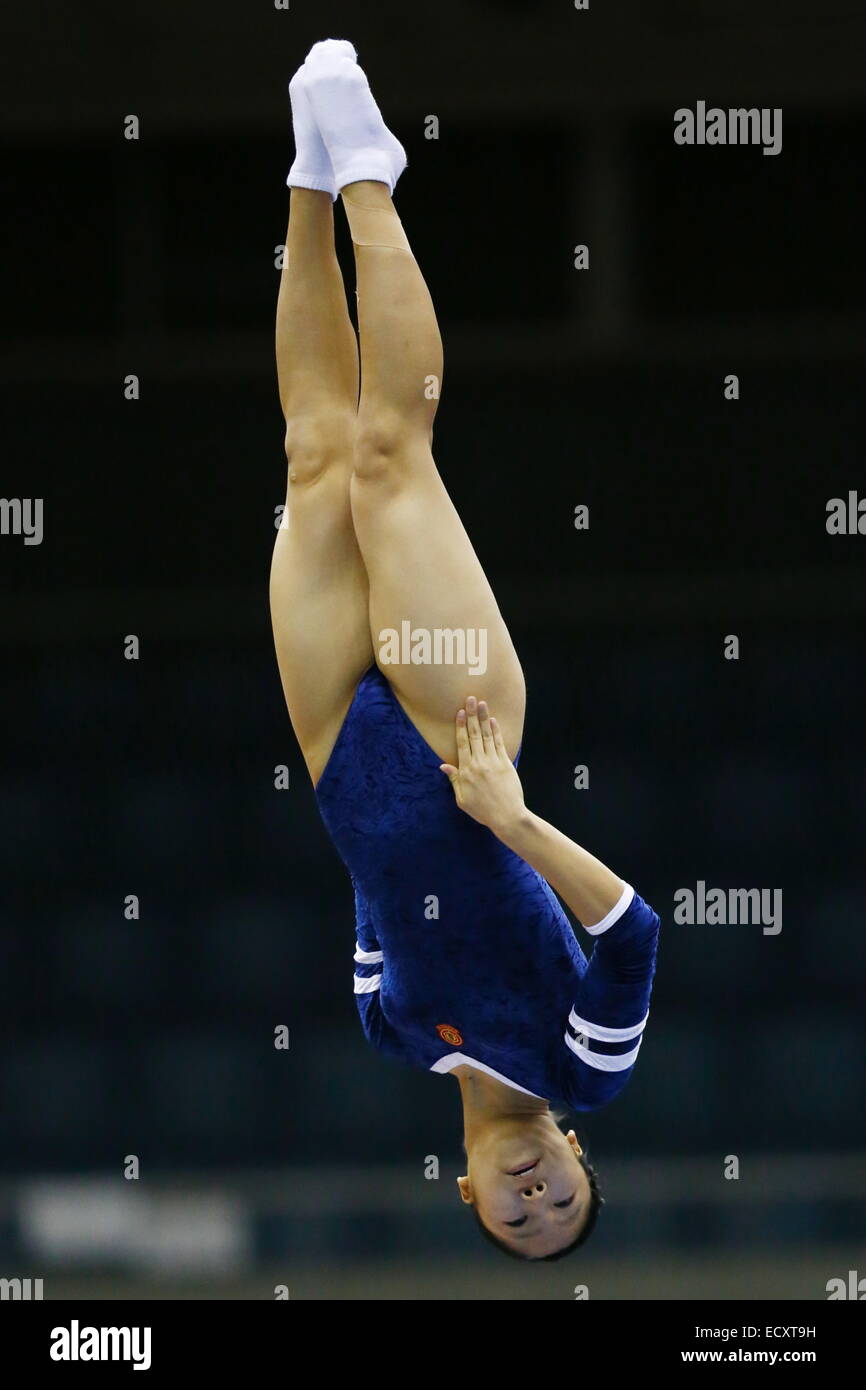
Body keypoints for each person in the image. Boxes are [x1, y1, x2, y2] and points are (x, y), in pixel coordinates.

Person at [270, 39, 661, 1259]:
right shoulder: (583, 1066)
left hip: (341, 744)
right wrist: (506, 815)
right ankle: (372, 172)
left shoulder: (390, 1032)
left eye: (516, 1217)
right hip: (462, 737)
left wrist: (351, 784)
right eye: (562, 1200)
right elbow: (630, 927)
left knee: (314, 455)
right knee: (392, 451)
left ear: (465, 1195)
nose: (534, 1192)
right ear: (579, 1159)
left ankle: (306, 177)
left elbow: (375, 897)